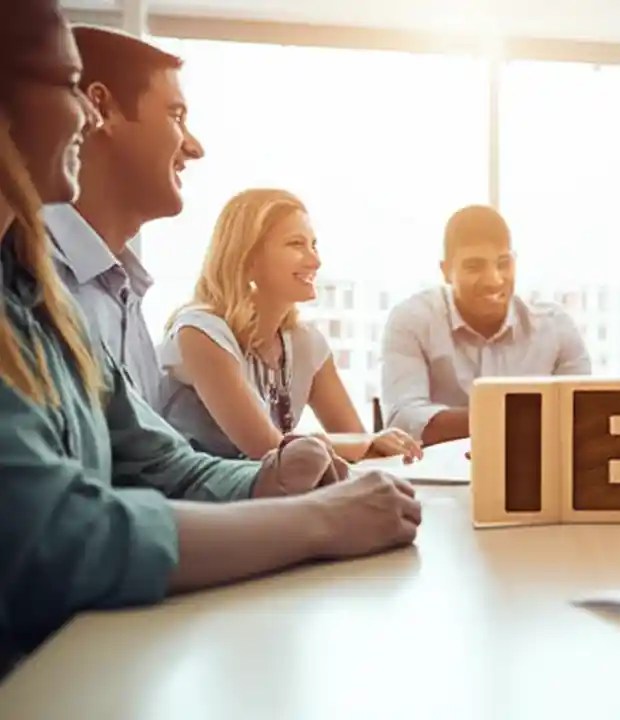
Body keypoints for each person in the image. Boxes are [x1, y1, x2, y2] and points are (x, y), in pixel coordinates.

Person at [0, 1, 421, 676]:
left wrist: (270, 481)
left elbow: (163, 464)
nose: (79, 111)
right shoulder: (170, 321)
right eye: (63, 84)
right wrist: (319, 521)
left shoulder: (43, 301)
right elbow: (51, 537)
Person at [156, 188, 422, 462]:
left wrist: (379, 445)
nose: (315, 261)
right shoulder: (199, 333)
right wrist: (361, 444)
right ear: (248, 258)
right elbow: (266, 449)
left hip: (259, 496)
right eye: (296, 244)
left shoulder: (305, 343)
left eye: (313, 245)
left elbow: (360, 444)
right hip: (188, 498)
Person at [44, 26, 202, 407]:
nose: (195, 147)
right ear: (100, 108)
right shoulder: (30, 281)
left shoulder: (122, 292)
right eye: (176, 115)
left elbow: (153, 463)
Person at [381, 204, 591, 446]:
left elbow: (584, 417)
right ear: (446, 271)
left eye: (503, 263)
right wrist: (518, 419)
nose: (494, 280)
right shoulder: (412, 320)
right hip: (439, 479)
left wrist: (485, 421)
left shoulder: (555, 327)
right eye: (474, 266)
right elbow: (404, 421)